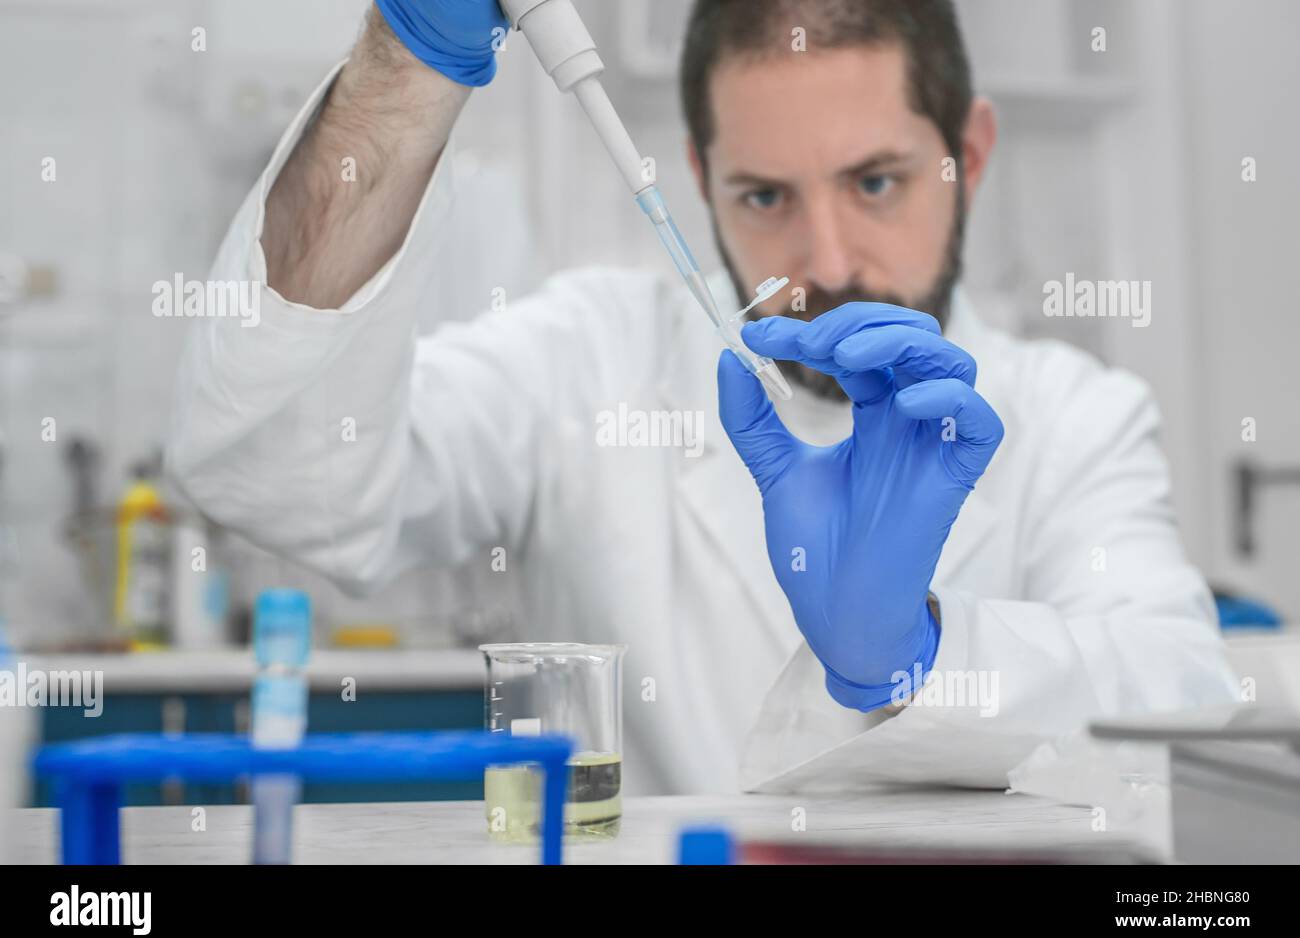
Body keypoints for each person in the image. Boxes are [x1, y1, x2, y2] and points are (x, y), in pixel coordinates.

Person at [166, 0, 1238, 795]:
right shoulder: (585, 360)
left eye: (875, 182)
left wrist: (913, 659)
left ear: (969, 154)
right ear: (697, 174)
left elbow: (1178, 713)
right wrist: (406, 58)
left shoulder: (1076, 418)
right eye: (763, 194)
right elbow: (274, 474)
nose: (826, 256)